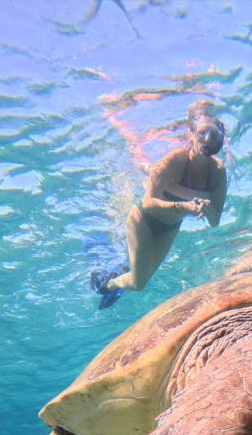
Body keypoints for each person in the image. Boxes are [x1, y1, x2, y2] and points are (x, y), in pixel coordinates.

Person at [92, 100, 229, 308]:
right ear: (191, 134)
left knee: (142, 281)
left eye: (214, 135)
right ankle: (107, 284)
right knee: (137, 283)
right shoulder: (174, 160)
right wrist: (186, 205)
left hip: (169, 228)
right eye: (202, 133)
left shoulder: (218, 172)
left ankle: (120, 271)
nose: (208, 139)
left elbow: (215, 220)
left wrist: (204, 205)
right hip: (143, 220)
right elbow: (148, 203)